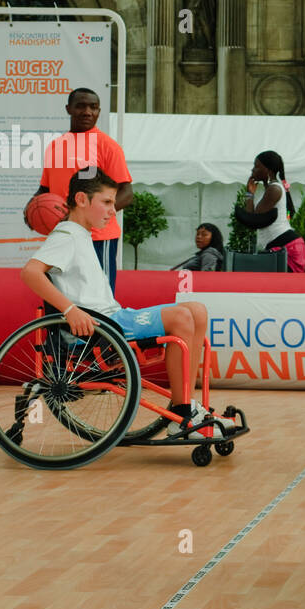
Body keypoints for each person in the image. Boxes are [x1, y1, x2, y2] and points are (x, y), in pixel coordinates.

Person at [20, 170, 224, 438]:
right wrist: (71, 311)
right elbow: (30, 272)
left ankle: (185, 404)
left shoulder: (81, 234)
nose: (113, 211)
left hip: (112, 320)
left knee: (197, 310)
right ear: (81, 199)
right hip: (100, 329)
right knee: (183, 317)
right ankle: (183, 414)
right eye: (106, 202)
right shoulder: (67, 236)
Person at [34, 88, 133, 290]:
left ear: (98, 111)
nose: (87, 112)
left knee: (98, 300)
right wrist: (32, 209)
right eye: (81, 106)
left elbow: (126, 192)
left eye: (93, 107)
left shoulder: (108, 146)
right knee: (60, 297)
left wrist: (95, 215)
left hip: (96, 238)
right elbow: (45, 190)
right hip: (62, 235)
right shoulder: (55, 146)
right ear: (68, 109)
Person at [235, 150, 305, 272]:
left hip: (287, 248)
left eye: (256, 166)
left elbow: (254, 220)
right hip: (281, 246)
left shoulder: (274, 190)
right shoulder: (271, 189)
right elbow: (252, 217)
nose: (253, 170)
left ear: (267, 170)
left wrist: (249, 195)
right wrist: (250, 194)